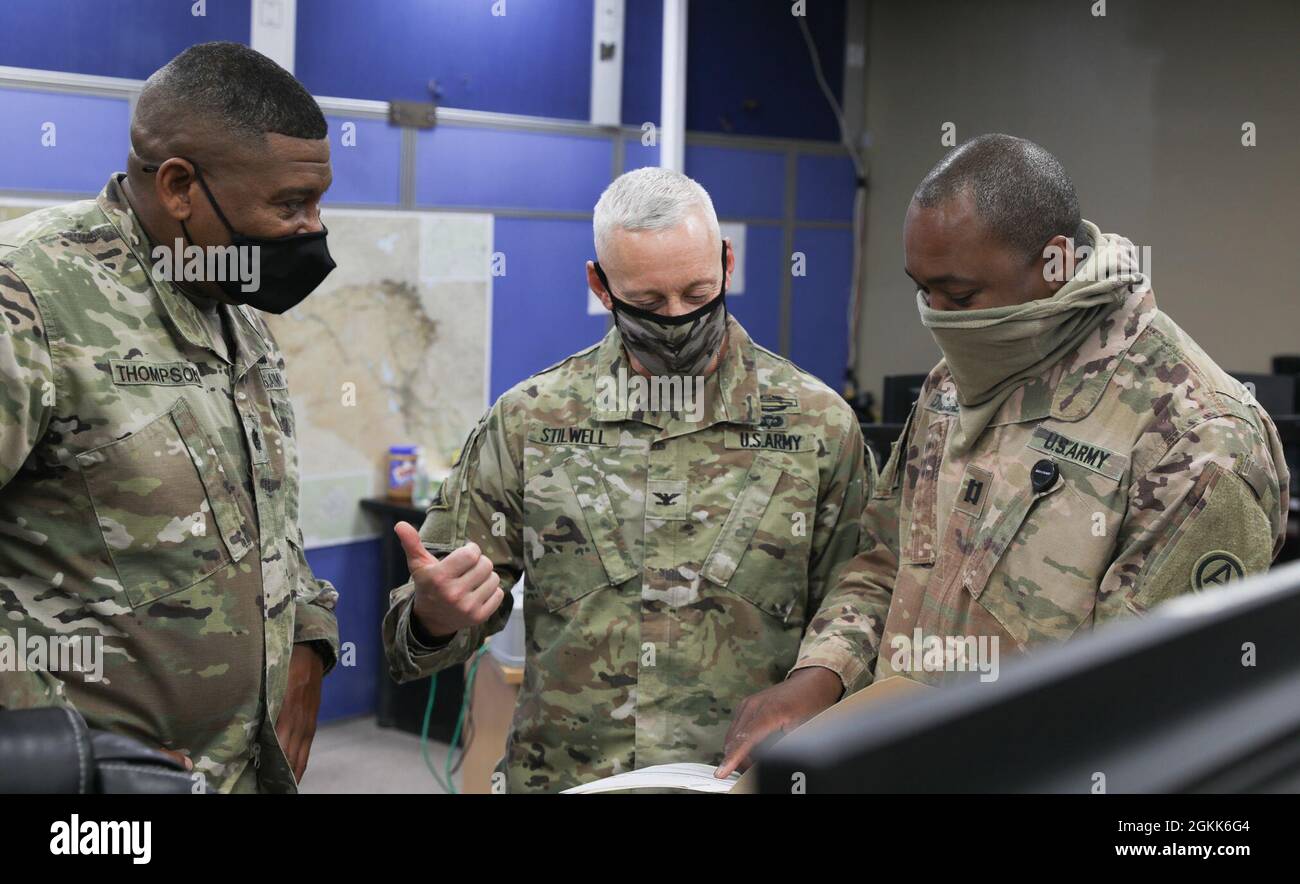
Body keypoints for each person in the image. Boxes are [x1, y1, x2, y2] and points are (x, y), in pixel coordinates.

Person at [383, 167, 876, 791]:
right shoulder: (530, 421)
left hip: (744, 779)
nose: (677, 318)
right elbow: (424, 626)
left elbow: (862, 593)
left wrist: (820, 680)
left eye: (697, 293)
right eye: (647, 302)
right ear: (600, 284)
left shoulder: (817, 424)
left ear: (727, 264)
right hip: (568, 777)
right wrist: (433, 616)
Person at [0, 42, 340, 793]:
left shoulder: (231, 305)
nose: (313, 231)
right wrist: (45, 751)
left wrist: (308, 641)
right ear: (181, 186)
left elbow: (268, 513)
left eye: (318, 202)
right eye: (290, 205)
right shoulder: (28, 298)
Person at [839, 133, 1289, 685]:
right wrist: (824, 671)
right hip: (894, 754)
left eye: (958, 298)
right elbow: (886, 558)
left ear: (1055, 262)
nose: (937, 318)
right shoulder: (952, 386)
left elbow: (1149, 697)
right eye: (922, 291)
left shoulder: (1198, 438)